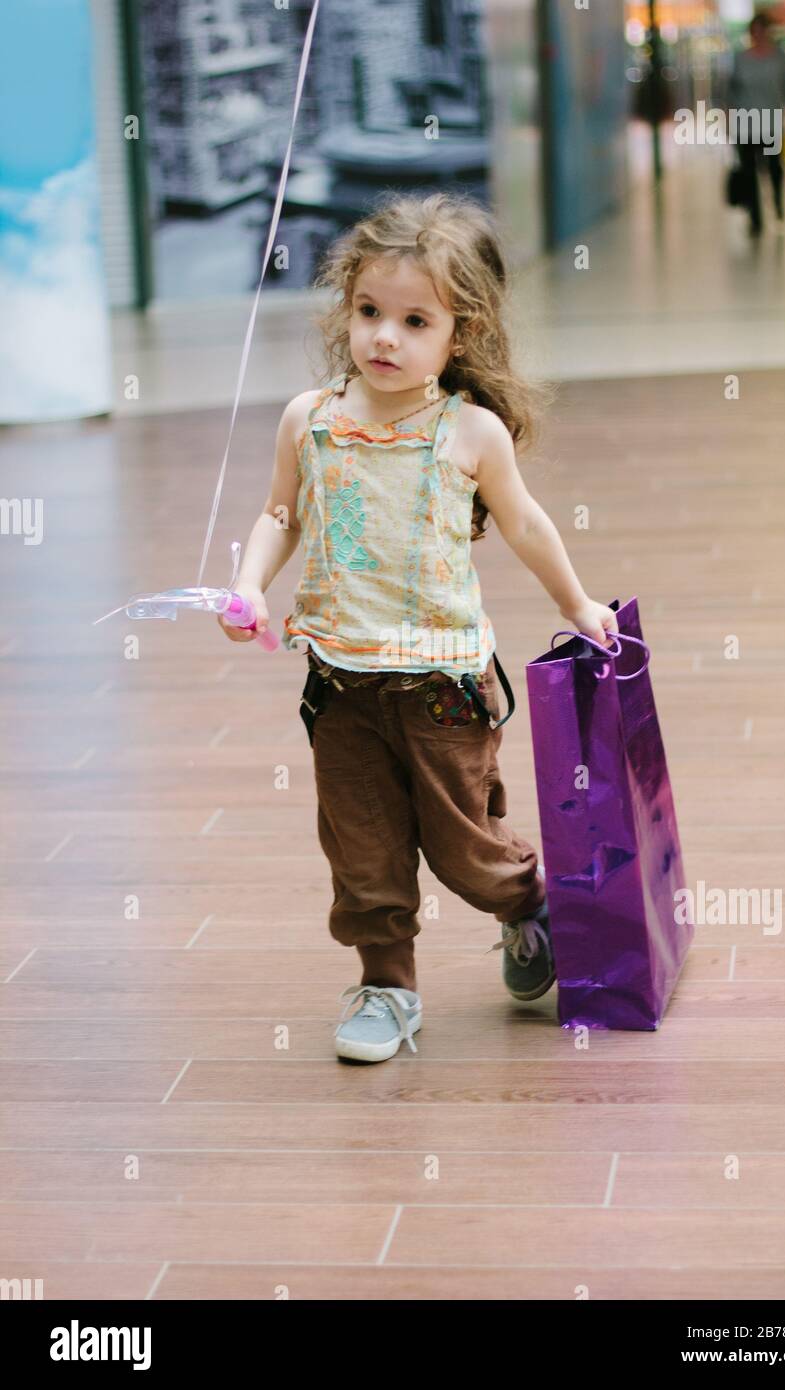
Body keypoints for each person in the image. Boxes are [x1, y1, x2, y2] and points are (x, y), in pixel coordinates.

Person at [218, 191, 618, 1063]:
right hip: (340, 687)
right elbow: (280, 516)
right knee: (363, 853)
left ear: (459, 334)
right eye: (367, 312)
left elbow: (525, 525)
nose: (383, 338)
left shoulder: (469, 432)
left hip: (443, 691)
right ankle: (386, 987)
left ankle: (525, 905)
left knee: (466, 854)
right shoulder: (311, 420)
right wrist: (248, 584)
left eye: (412, 320)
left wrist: (576, 605)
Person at [729, 11, 785, 236]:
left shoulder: (781, 59)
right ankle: (756, 217)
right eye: (754, 32)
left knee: (774, 168)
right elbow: (730, 90)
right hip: (745, 123)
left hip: (772, 123)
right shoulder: (740, 59)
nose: (758, 36)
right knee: (749, 171)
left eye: (762, 31)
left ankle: (778, 204)